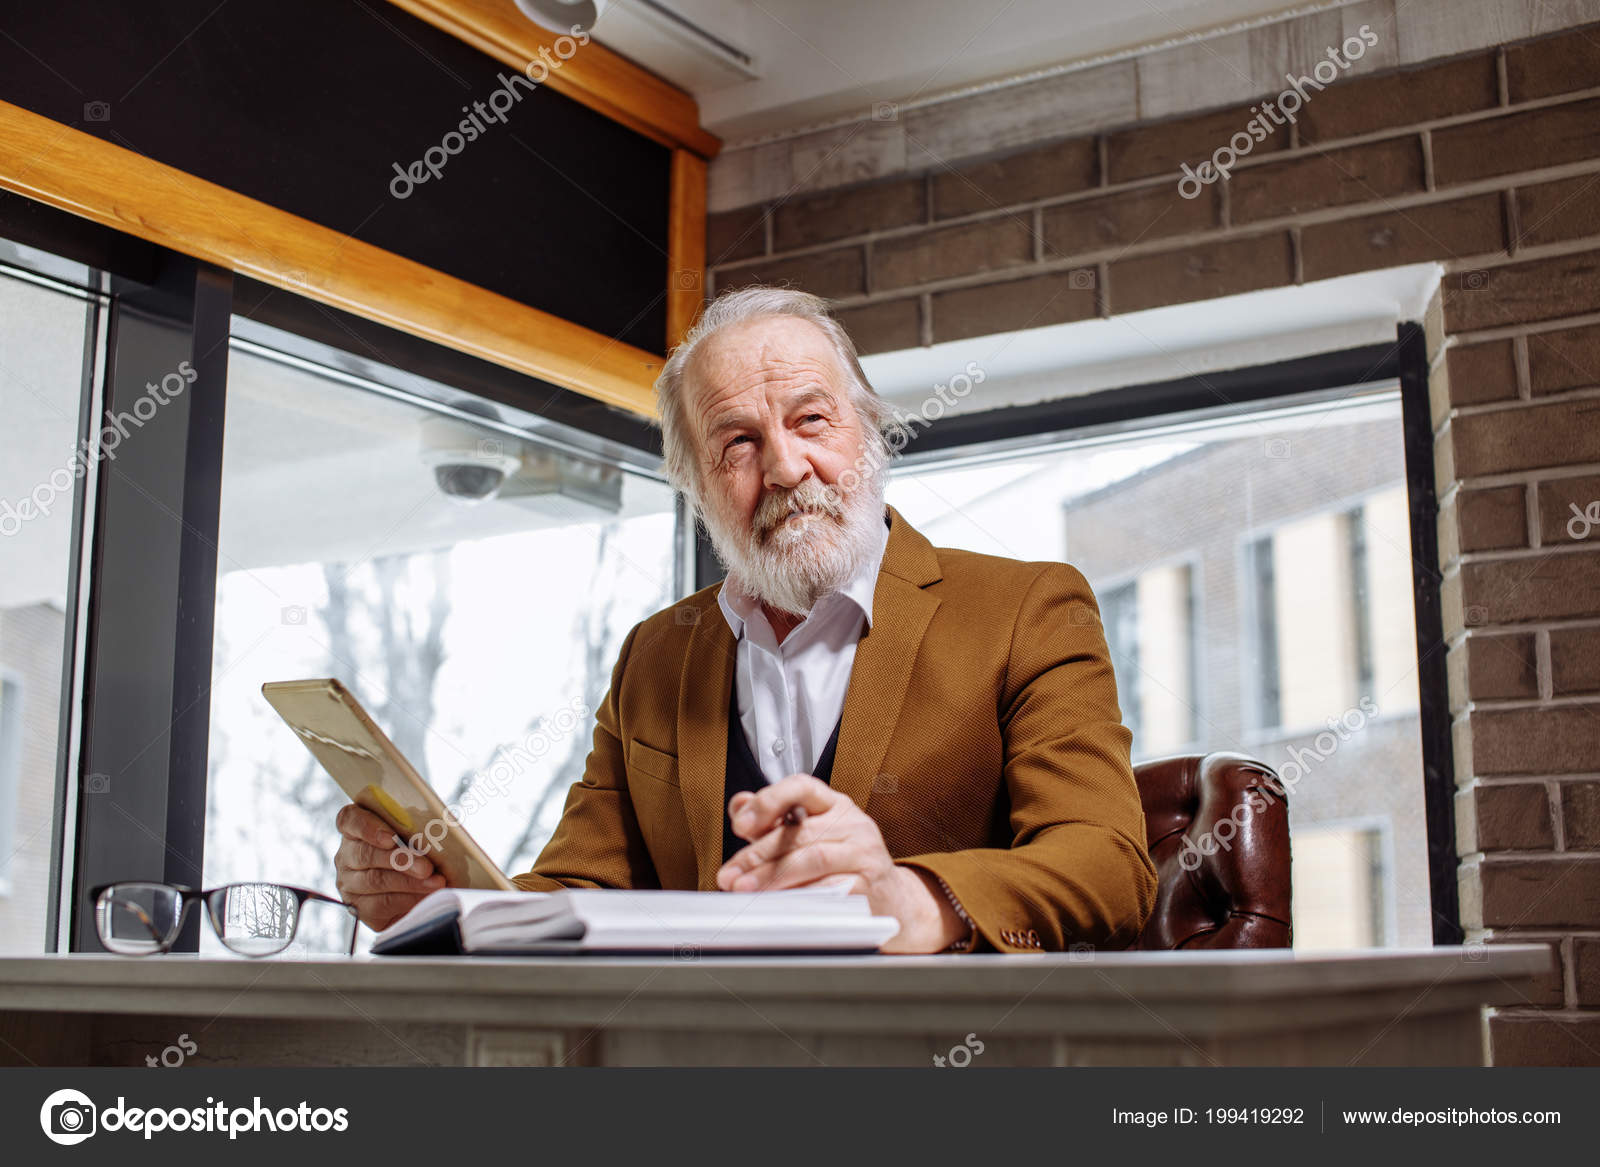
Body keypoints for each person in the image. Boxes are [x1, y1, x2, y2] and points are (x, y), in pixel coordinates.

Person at [334, 287, 1156, 952]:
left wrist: (907, 900)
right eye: (736, 444)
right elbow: (582, 890)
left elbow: (1109, 868)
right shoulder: (656, 654)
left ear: (869, 432)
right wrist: (452, 903)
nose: (786, 467)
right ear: (695, 487)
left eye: (811, 420)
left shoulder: (1030, 610)